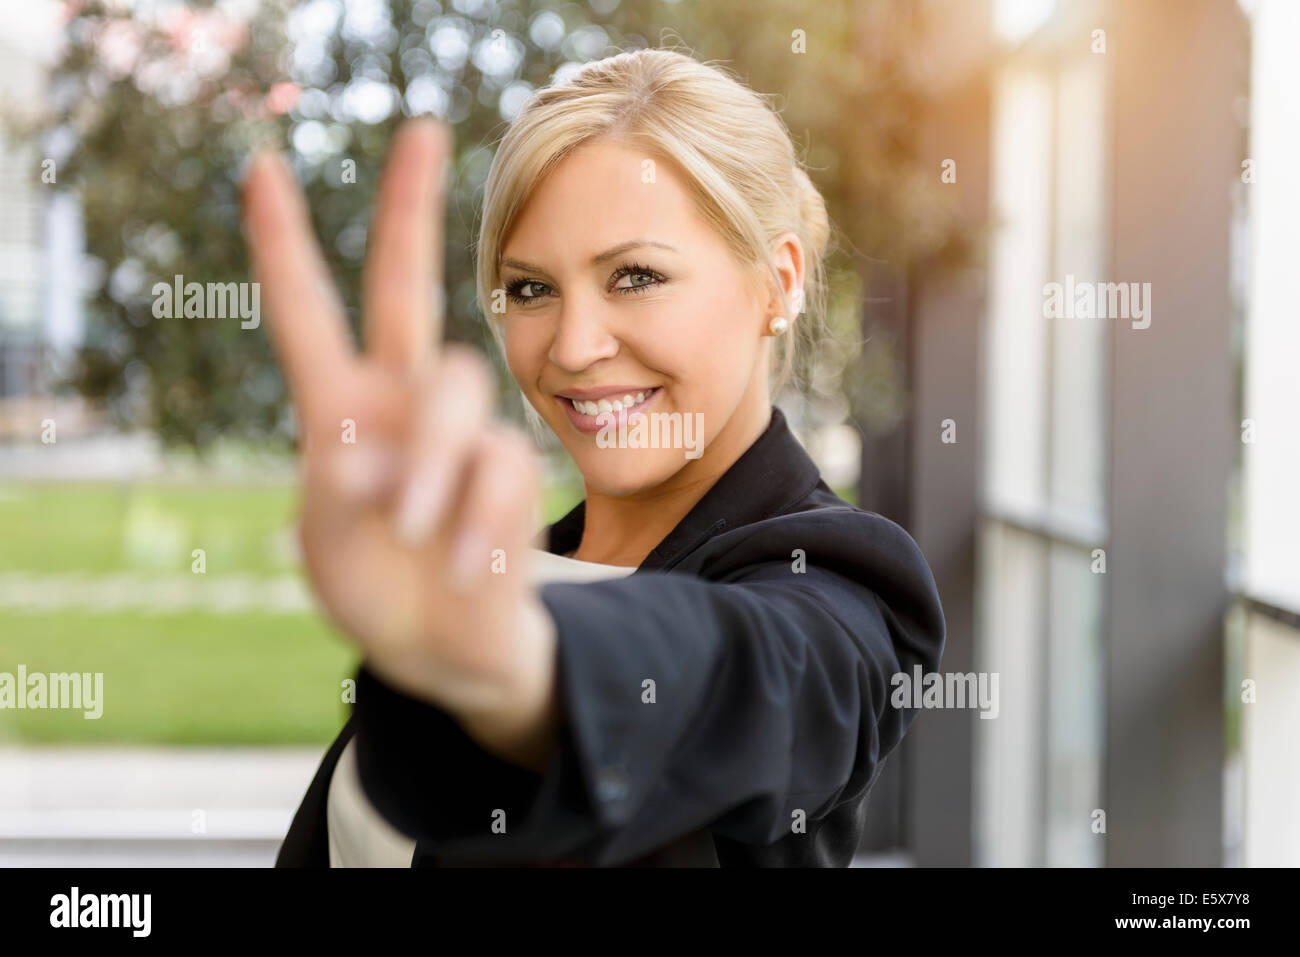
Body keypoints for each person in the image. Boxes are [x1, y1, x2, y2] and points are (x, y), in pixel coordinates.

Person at [241, 47, 946, 867]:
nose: (573, 348)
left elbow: (746, 680)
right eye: (532, 289)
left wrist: (515, 667)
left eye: (636, 275)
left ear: (778, 282)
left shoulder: (840, 582)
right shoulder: (495, 570)